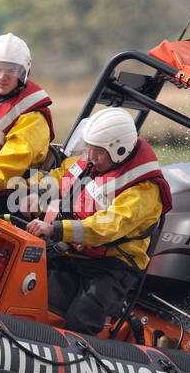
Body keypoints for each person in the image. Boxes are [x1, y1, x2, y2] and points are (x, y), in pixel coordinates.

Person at [25, 107, 172, 334]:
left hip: (111, 266)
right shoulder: (98, 158)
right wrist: (37, 192)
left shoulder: (145, 190)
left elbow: (108, 227)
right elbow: (63, 176)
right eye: (91, 148)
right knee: (27, 280)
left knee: (82, 316)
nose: (91, 156)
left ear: (119, 150)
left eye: (98, 151)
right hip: (72, 250)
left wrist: (54, 228)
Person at [0, 33, 54, 202]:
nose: (2, 76)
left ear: (24, 72)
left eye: (11, 70)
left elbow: (5, 171)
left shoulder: (33, 118)